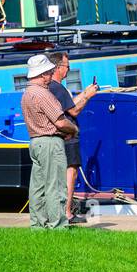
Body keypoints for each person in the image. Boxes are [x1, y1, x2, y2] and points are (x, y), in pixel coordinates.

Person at [20, 54, 78, 229]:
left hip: (35, 142)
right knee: (56, 186)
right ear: (43, 74)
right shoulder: (43, 94)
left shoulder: (27, 93)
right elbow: (60, 121)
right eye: (49, 72)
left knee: (38, 187)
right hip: (50, 143)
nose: (51, 76)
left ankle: (38, 224)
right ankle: (58, 225)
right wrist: (74, 130)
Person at [46, 51, 98, 224]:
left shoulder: (50, 88)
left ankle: (56, 212)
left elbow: (69, 105)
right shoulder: (58, 87)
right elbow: (74, 111)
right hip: (68, 135)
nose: (68, 70)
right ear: (58, 68)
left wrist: (84, 93)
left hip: (56, 137)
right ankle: (67, 213)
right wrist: (88, 97)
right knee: (71, 172)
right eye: (67, 66)